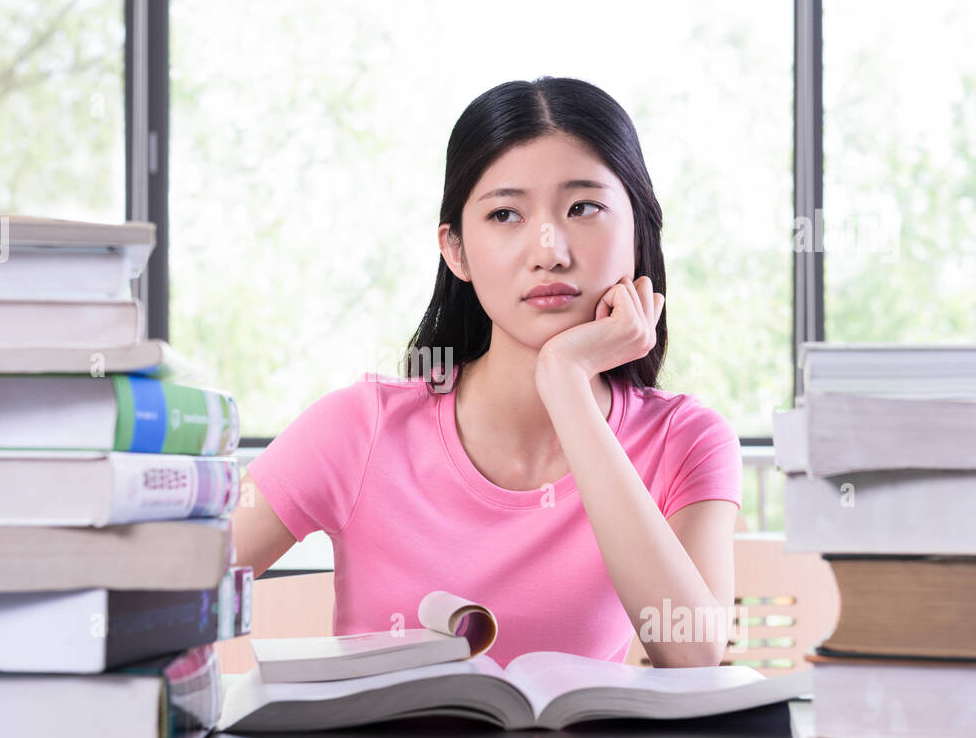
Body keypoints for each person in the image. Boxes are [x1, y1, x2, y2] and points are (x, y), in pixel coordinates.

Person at [234, 76, 742, 668]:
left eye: (584, 208)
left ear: (638, 232)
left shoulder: (686, 440)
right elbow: (179, 583)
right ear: (456, 251)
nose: (549, 250)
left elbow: (697, 654)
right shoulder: (360, 426)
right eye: (505, 214)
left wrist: (567, 384)